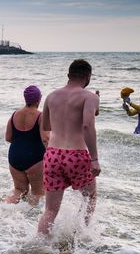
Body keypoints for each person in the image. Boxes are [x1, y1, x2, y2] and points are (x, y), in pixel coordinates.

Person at [37, 59, 101, 236]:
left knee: (50, 210)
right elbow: (87, 125)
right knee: (90, 198)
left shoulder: (51, 96)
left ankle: (40, 244)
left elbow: (46, 125)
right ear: (88, 76)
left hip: (52, 154)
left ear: (68, 75)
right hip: (76, 155)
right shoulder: (90, 97)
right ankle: (81, 235)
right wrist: (94, 159)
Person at [5, 85, 49, 205]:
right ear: (38, 100)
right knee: (38, 193)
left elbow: (8, 138)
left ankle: (5, 209)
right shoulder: (41, 116)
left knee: (19, 191)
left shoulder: (14, 114)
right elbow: (45, 139)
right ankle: (28, 220)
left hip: (15, 157)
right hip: (35, 158)